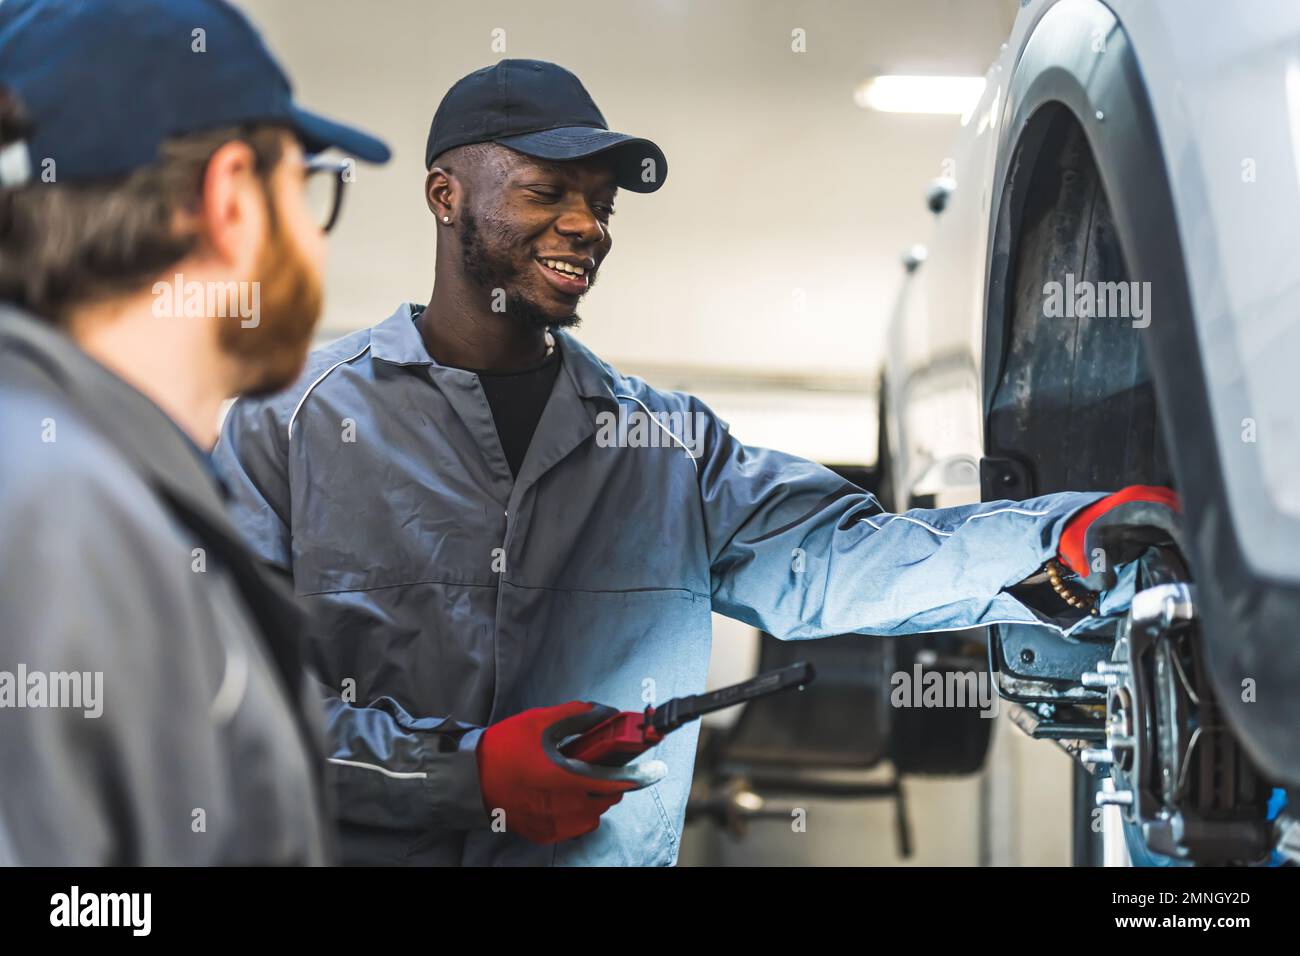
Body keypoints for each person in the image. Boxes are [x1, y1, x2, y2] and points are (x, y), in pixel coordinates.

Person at [214, 58, 1178, 866]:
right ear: (445, 195)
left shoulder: (665, 447)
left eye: (599, 206)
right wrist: (463, 773)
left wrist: (1065, 542)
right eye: (548, 193)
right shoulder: (290, 423)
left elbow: (851, 558)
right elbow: (226, 711)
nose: (587, 226)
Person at [0, 0, 390, 864]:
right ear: (230, 202)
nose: (318, 248)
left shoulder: (90, 483)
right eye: (307, 186)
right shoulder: (55, 510)